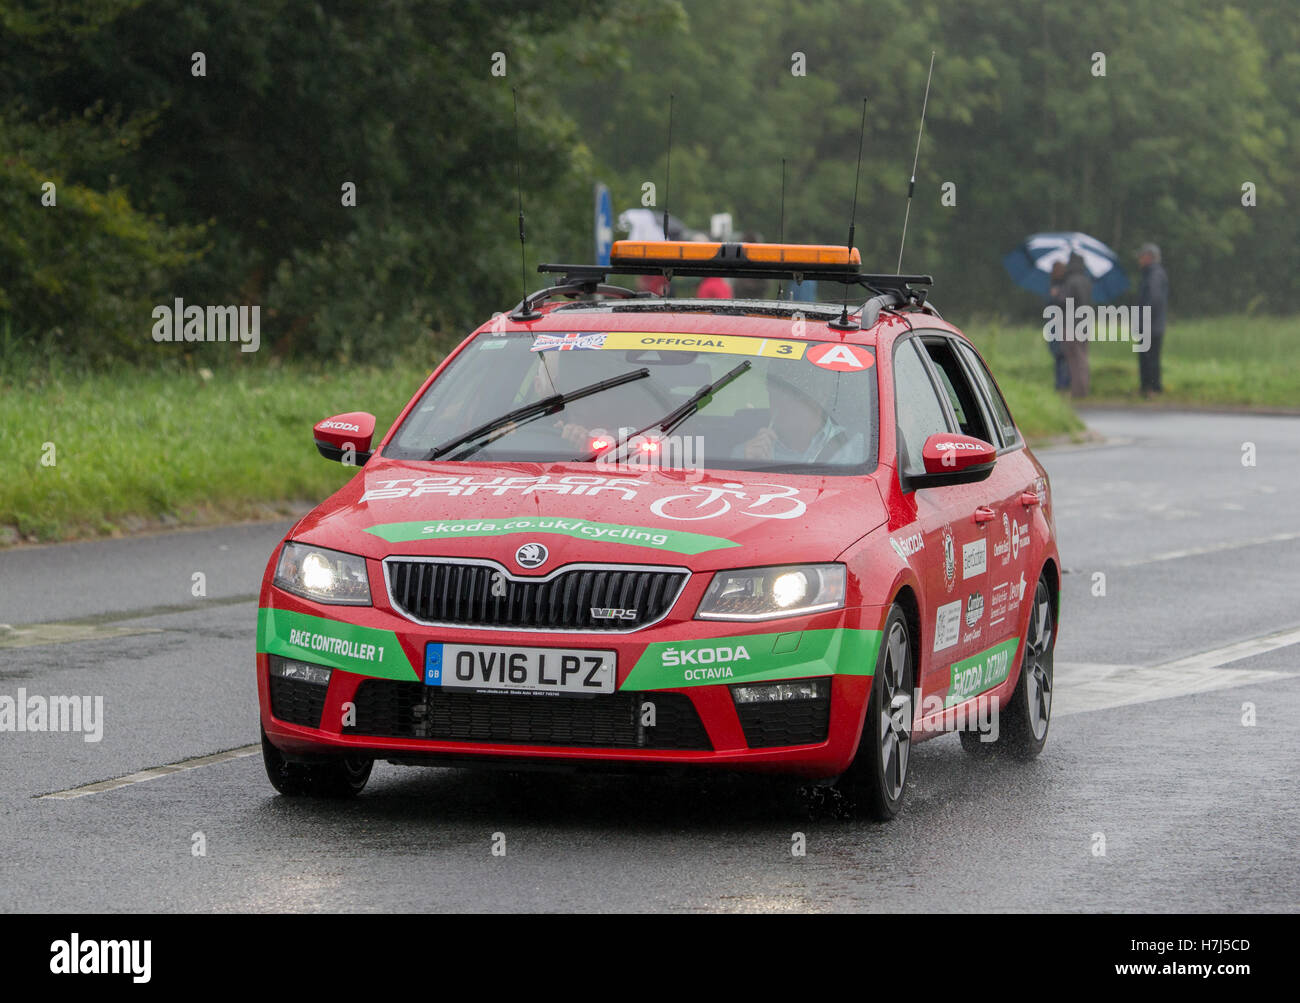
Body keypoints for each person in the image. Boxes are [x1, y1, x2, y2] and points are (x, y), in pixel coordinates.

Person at [736, 366, 863, 464]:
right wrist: (751, 466)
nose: (781, 404)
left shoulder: (850, 447)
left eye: (793, 395)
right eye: (774, 394)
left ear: (820, 397)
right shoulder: (750, 452)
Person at [1136, 242, 1169, 397]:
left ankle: (1152, 389)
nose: (1139, 259)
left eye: (1141, 256)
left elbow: (1154, 299)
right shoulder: (1151, 274)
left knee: (1150, 358)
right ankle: (1147, 388)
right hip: (1151, 323)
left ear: (1149, 257)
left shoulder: (1154, 275)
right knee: (1146, 356)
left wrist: (1144, 318)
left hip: (1150, 325)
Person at [1060, 252, 1092, 398]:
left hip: (1072, 324)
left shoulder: (1070, 281)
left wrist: (1057, 295)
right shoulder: (1086, 281)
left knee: (1073, 359)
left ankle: (1077, 391)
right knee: (1083, 357)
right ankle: (1083, 389)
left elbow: (1064, 302)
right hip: (1085, 324)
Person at [1046, 260, 1070, 392]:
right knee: (1057, 353)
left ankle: (1063, 384)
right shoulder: (1052, 284)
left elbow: (1064, 304)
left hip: (1061, 323)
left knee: (1062, 354)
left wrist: (1056, 296)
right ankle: (1060, 383)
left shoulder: (1066, 285)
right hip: (1053, 322)